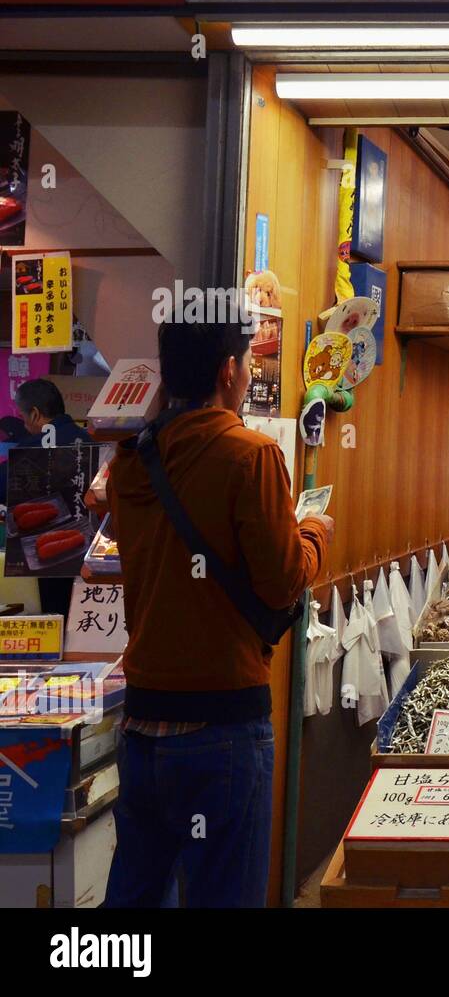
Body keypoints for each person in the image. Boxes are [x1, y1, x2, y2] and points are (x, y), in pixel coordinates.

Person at [103, 319, 332, 908]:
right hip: (221, 728)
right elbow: (282, 584)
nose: (251, 372)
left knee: (135, 899)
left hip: (143, 724)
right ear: (228, 371)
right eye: (248, 363)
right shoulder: (249, 454)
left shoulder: (132, 461)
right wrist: (313, 533)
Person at [0, 379, 95, 617]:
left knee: (54, 616)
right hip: (92, 559)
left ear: (34, 414)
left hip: (47, 569)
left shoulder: (27, 449)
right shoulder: (91, 442)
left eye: (23, 417)